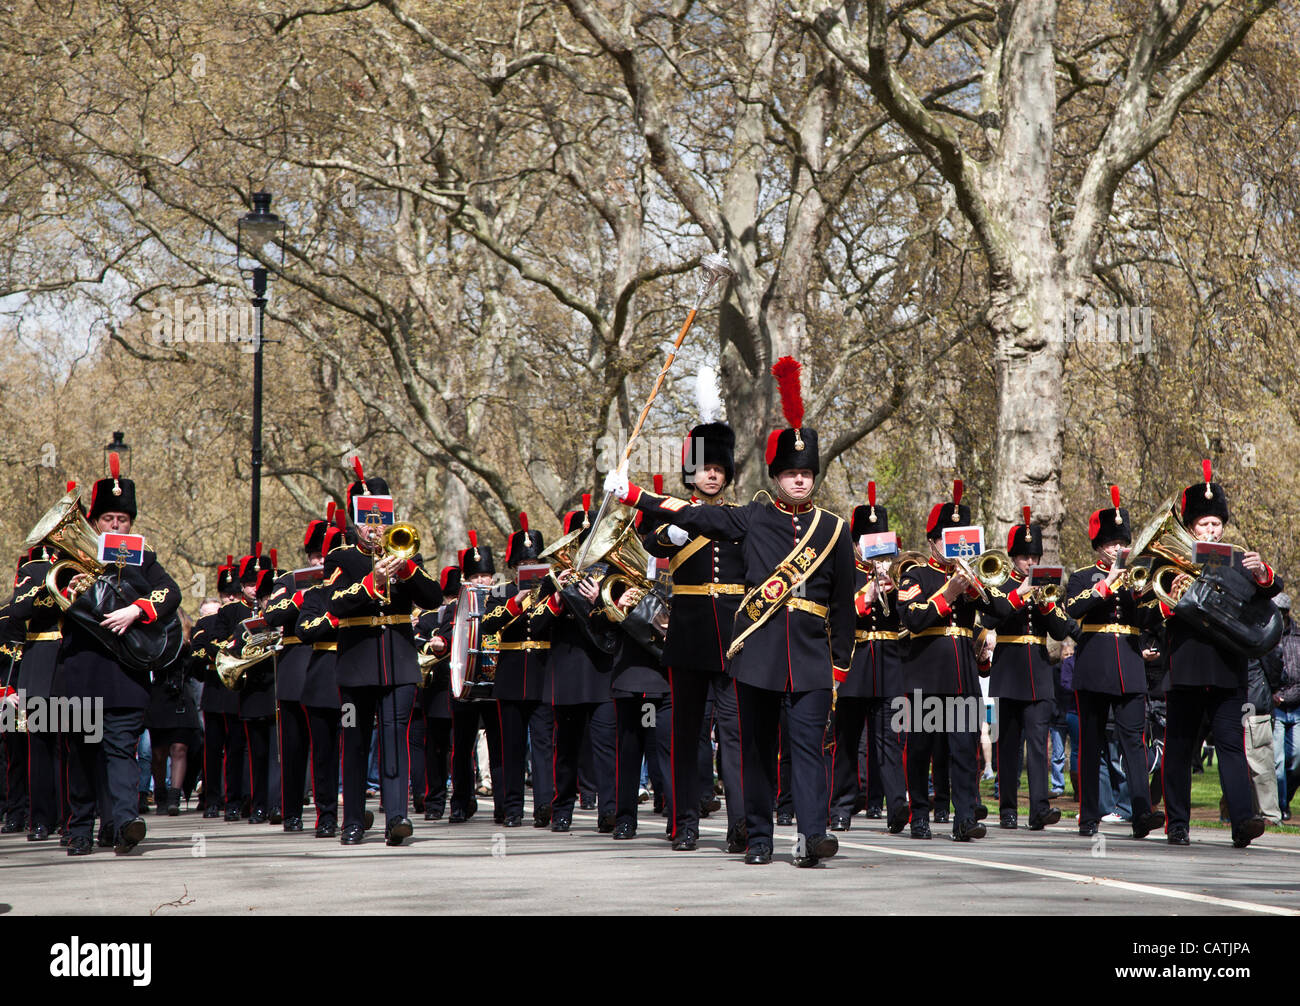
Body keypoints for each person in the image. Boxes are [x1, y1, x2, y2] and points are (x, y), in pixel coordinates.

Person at [606, 356, 854, 867]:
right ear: (777, 476)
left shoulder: (833, 529)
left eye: (806, 473)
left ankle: (811, 835)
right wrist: (632, 494)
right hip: (750, 648)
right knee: (741, 745)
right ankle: (749, 836)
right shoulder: (753, 515)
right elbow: (693, 516)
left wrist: (839, 665)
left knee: (801, 750)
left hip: (805, 656)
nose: (800, 480)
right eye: (791, 472)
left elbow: (842, 604)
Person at [57, 451, 182, 856]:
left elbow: (171, 593)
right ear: (95, 522)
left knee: (120, 751)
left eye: (123, 520)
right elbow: (43, 600)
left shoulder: (144, 557)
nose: (115, 524)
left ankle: (124, 823)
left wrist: (137, 607)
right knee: (82, 754)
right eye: (109, 519)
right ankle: (79, 829)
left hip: (124, 675)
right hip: (82, 671)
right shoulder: (68, 557)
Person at [1158, 460, 1281, 847]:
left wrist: (1261, 571)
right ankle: (1177, 823)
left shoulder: (1237, 557)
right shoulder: (1173, 560)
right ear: (1191, 527)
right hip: (1188, 664)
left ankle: (1243, 821)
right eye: (1204, 525)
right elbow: (1153, 606)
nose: (1211, 530)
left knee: (1231, 743)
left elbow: (1267, 594)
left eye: (1216, 524)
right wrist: (1176, 594)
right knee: (1179, 746)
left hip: (1229, 668)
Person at [640, 421, 747, 853]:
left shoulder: (741, 514)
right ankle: (684, 823)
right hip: (689, 635)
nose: (713, 474)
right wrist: (672, 532)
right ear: (692, 473)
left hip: (734, 637)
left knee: (737, 735)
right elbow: (652, 543)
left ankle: (740, 822)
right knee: (685, 735)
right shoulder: (672, 512)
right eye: (705, 467)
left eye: (720, 468)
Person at [327, 457, 443, 846]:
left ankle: (397, 817)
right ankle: (353, 822)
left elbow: (433, 596)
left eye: (379, 517)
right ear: (354, 520)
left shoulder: (405, 553)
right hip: (356, 660)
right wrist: (371, 581)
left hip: (397, 657)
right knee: (355, 741)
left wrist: (406, 570)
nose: (373, 526)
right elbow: (336, 604)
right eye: (366, 518)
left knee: (397, 738)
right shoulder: (341, 557)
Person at [895, 480, 1016, 841]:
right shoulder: (916, 575)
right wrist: (948, 592)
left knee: (965, 751)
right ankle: (919, 813)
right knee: (920, 748)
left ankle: (965, 817)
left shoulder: (971, 577)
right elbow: (913, 617)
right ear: (933, 540)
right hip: (924, 675)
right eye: (946, 538)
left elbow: (1003, 609)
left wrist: (976, 587)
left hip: (962, 675)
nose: (954, 546)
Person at [1064, 484, 1164, 840]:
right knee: (1090, 744)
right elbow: (1071, 610)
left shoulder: (1138, 578)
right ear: (1099, 547)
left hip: (1130, 666)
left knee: (1133, 743)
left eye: (1123, 544)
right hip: (1094, 666)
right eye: (1112, 544)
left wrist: (1148, 593)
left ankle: (1141, 812)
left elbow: (1151, 621)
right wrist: (1105, 584)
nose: (1119, 549)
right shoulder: (1082, 577)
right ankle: (1089, 815)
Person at [982, 507, 1076, 831]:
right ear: (1013, 558)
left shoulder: (1048, 585)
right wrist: (1019, 595)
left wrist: (1047, 603)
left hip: (1037, 671)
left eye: (1034, 556)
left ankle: (1039, 809)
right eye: (1024, 557)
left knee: (1039, 744)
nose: (1030, 563)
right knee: (1007, 746)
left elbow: (1061, 632)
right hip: (1009, 669)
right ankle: (1008, 808)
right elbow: (990, 618)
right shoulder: (1001, 583)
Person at [829, 483, 907, 834]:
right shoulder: (844, 569)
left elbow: (913, 617)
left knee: (888, 739)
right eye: (866, 539)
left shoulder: (900, 571)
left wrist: (898, 591)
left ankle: (897, 806)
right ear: (856, 541)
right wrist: (870, 590)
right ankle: (842, 806)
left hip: (889, 663)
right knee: (847, 739)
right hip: (855, 662)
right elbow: (838, 613)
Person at [477, 514, 561, 828]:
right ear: (514, 565)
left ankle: (544, 806)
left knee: (543, 745)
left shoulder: (552, 591)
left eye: (535, 562)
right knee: (511, 746)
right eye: (524, 562)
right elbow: (488, 623)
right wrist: (516, 602)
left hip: (542, 673)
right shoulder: (500, 592)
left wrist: (555, 596)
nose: (530, 566)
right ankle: (512, 808)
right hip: (510, 675)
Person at [192, 557, 249, 820]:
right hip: (215, 692)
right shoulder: (207, 623)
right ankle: (212, 798)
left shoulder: (247, 620)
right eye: (226, 595)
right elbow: (198, 652)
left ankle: (234, 799)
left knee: (237, 749)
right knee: (212, 750)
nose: (230, 600)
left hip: (238, 693)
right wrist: (219, 649)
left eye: (235, 594)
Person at [1269, 594, 1300, 820]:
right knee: (1278, 761)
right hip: (1276, 706)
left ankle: (1286, 797)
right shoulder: (1268, 634)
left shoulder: (1298, 637)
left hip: (1297, 705)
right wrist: (1273, 694)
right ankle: (1280, 807)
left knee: (1297, 759)